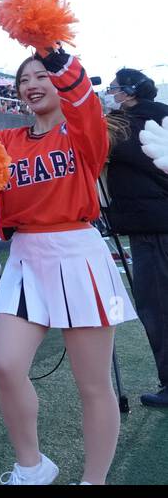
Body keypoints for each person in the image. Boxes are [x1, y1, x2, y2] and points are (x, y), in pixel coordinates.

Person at [0, 51, 137, 484]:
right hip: (25, 256)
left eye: (42, 75)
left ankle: (93, 482)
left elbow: (82, 101)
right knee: (5, 365)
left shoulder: (85, 132)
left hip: (76, 253)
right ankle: (32, 467)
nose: (32, 84)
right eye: (24, 79)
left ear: (59, 81)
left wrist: (56, 54)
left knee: (92, 384)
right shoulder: (4, 141)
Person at [102, 68, 168, 408]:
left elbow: (97, 144)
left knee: (157, 307)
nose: (111, 94)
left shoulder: (127, 124)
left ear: (130, 92)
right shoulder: (160, 116)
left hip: (151, 227)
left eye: (114, 89)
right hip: (156, 222)